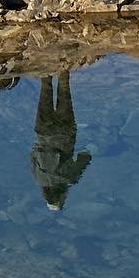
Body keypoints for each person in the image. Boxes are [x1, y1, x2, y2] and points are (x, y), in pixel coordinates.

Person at [30, 73, 92, 211]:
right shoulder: (39, 178)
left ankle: (64, 63)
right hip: (43, 132)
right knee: (45, 89)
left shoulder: (69, 178)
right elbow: (32, 156)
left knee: (64, 89)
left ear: (62, 197)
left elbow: (85, 157)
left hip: (65, 133)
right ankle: (47, 64)